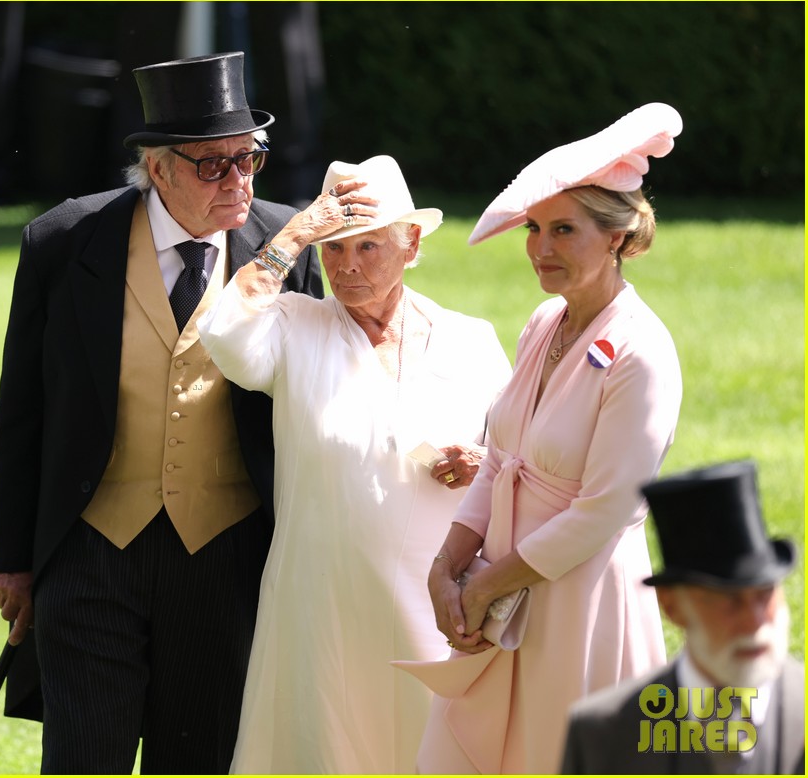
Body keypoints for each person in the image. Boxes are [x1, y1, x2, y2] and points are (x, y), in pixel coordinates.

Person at [0, 51, 324, 774]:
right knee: (83, 759)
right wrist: (11, 560)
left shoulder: (287, 246)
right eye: (214, 165)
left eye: (249, 159)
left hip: (227, 557)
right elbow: (24, 409)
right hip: (92, 550)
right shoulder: (64, 241)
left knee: (201, 761)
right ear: (158, 168)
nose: (238, 180)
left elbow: (319, 398)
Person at [395, 103, 686, 774]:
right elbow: (501, 461)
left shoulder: (643, 353)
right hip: (500, 599)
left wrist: (484, 587)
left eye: (564, 230)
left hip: (580, 605)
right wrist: (447, 566)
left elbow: (604, 511)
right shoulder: (541, 323)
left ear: (617, 239)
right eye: (533, 228)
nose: (540, 249)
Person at [196, 155, 512, 773]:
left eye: (368, 246)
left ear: (411, 243)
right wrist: (295, 233)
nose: (347, 265)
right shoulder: (293, 326)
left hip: (435, 599)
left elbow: (517, 451)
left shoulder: (469, 339)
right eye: (334, 247)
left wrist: (482, 461)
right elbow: (224, 335)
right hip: (323, 606)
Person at [561, 460, 803, 774]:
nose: (754, 622)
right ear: (672, 606)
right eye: (729, 602)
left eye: (765, 594)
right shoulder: (603, 736)